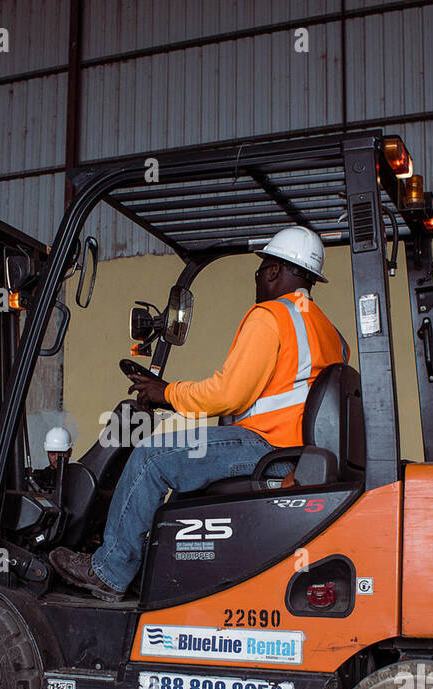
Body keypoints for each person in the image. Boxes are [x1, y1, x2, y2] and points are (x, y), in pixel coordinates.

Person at [49, 226, 348, 601]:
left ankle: (109, 570)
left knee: (151, 457)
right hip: (296, 450)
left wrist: (167, 393)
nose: (257, 278)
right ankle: (152, 569)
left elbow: (227, 393)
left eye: (260, 270)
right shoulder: (328, 330)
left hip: (268, 447)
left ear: (273, 270)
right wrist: (171, 395)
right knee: (181, 467)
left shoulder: (270, 316)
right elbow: (273, 392)